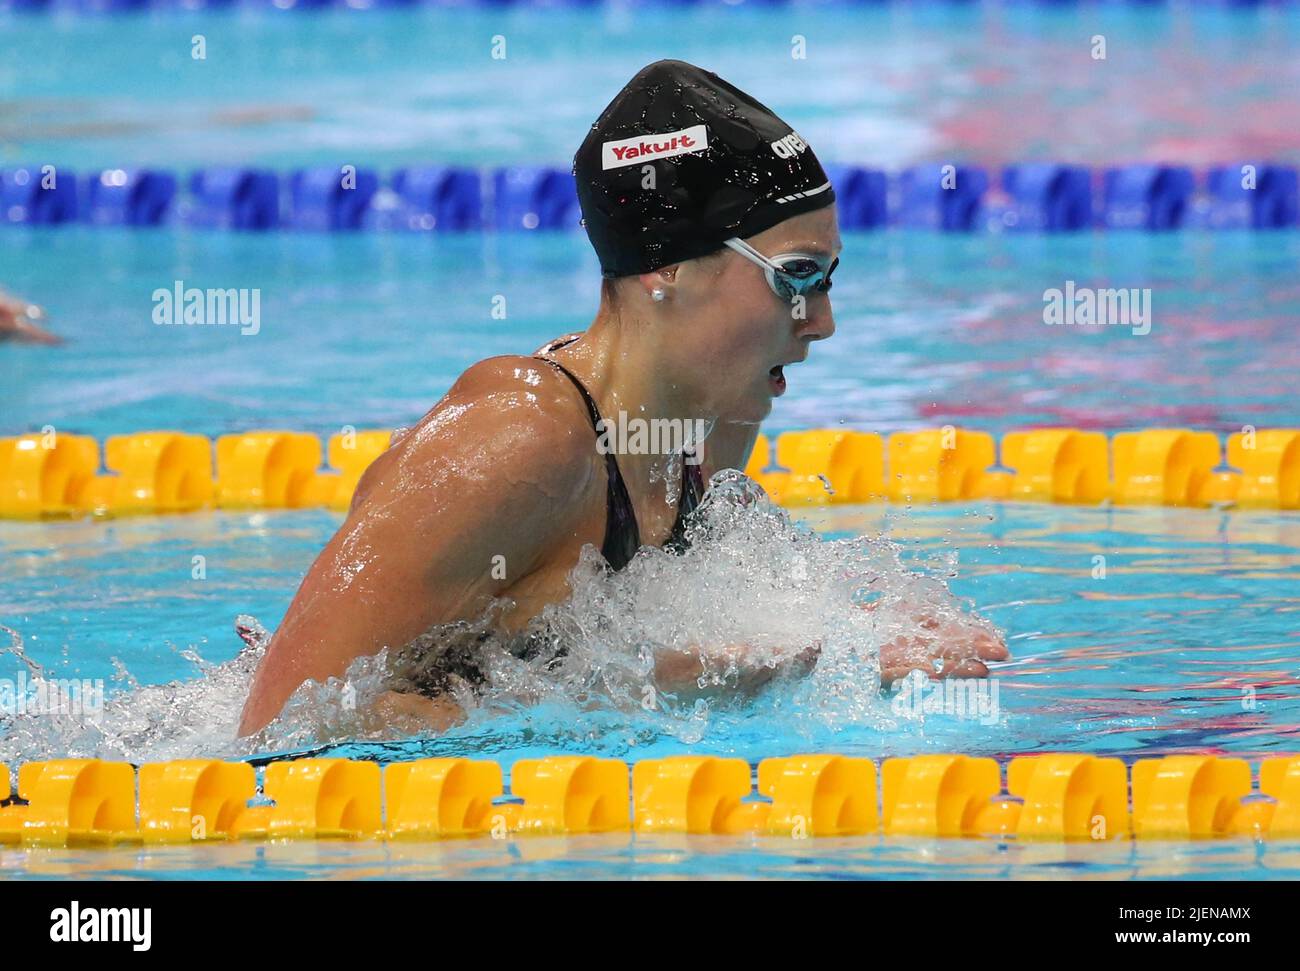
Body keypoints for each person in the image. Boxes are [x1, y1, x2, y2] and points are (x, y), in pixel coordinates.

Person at [238, 60, 1006, 737]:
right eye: (795, 278)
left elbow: (670, 657)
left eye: (828, 279)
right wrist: (609, 695)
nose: (824, 322)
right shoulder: (518, 442)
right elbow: (280, 727)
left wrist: (846, 638)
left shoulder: (700, 445)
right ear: (665, 268)